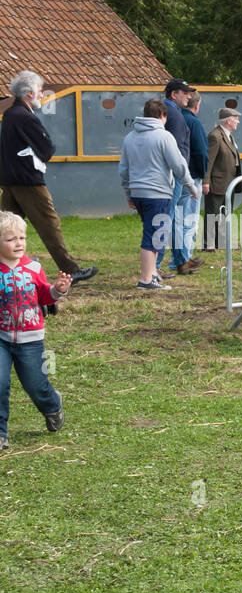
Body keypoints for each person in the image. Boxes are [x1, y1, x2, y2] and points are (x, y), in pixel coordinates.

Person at [0, 71, 96, 285]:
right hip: (28, 181)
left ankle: (4, 266)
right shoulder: (25, 116)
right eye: (40, 91)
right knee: (49, 225)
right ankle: (71, 269)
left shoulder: (10, 114)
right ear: (28, 93)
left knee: (6, 227)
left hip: (9, 179)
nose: (42, 95)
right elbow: (47, 147)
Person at [0, 209, 72, 453]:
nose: (18, 243)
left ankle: (52, 405)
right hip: (1, 337)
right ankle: (1, 434)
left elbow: (44, 295)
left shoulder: (33, 268)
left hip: (31, 340)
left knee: (35, 384)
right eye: (10, 239)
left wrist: (58, 289)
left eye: (21, 238)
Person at [118, 98, 199, 290]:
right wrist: (190, 185)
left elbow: (123, 169)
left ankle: (152, 273)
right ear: (163, 116)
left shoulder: (130, 137)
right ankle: (146, 280)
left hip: (138, 192)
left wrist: (128, 193)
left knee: (155, 233)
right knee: (154, 236)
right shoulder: (164, 137)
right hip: (157, 193)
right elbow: (178, 164)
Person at [160, 78, 196, 277]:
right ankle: (157, 264)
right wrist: (181, 172)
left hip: (176, 172)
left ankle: (181, 259)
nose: (189, 96)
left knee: (173, 218)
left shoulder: (173, 111)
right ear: (174, 94)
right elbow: (173, 147)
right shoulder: (171, 112)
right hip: (173, 173)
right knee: (168, 217)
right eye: (185, 92)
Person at [204, 107, 242, 258]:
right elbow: (209, 161)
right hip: (217, 181)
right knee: (212, 212)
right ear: (228, 121)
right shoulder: (215, 136)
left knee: (225, 213)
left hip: (229, 181)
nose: (238, 122)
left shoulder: (229, 136)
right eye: (236, 119)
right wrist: (206, 181)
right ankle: (209, 243)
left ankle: (222, 241)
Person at [180, 91, 207, 264]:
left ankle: (180, 257)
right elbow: (201, 151)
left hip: (177, 175)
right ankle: (184, 257)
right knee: (189, 219)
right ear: (196, 105)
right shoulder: (193, 122)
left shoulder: (175, 118)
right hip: (192, 175)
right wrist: (203, 174)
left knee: (179, 218)